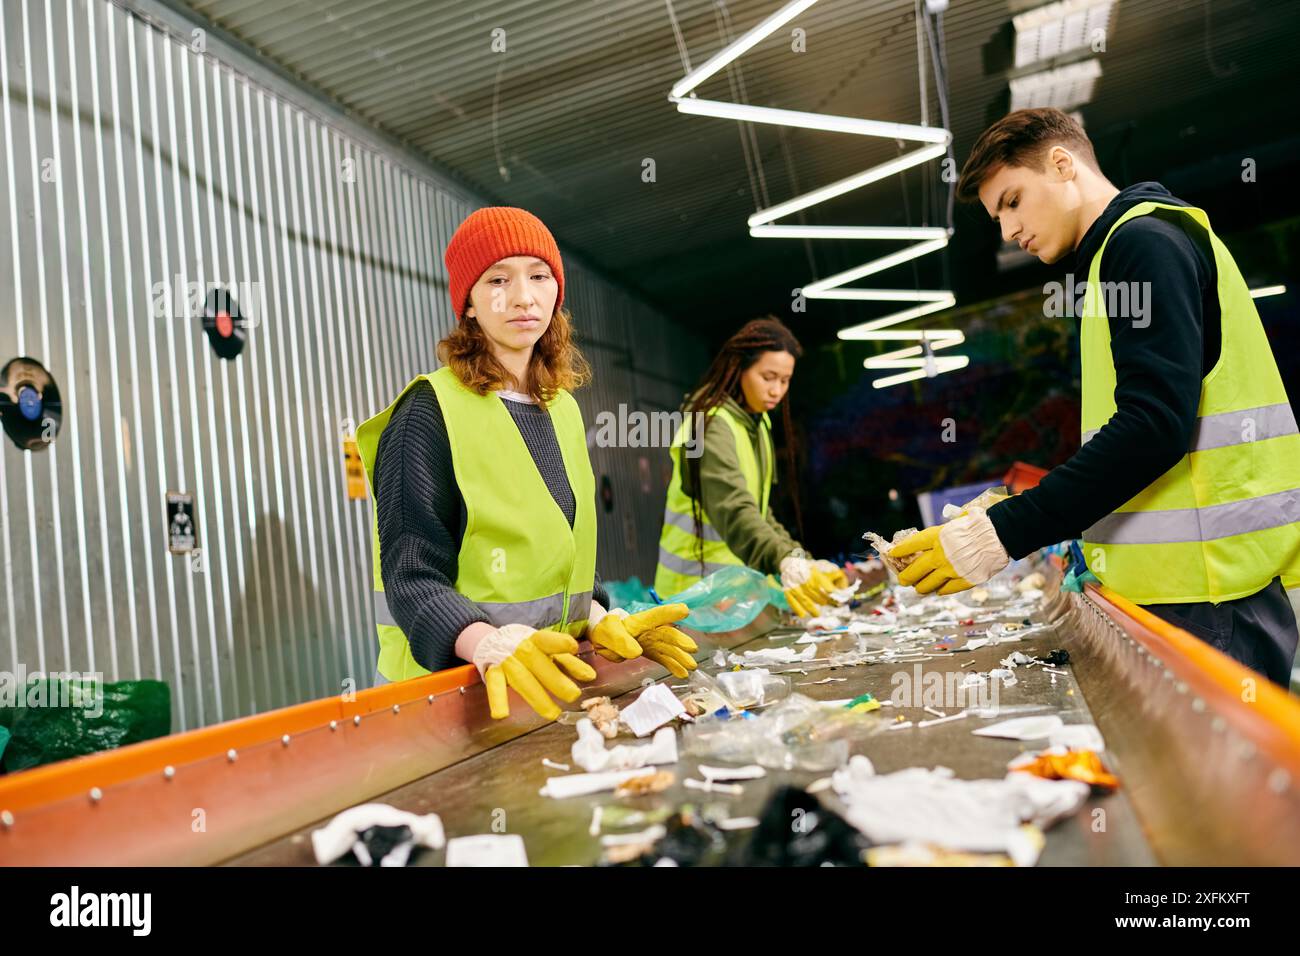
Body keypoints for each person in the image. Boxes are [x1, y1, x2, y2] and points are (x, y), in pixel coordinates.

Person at [892, 108, 1300, 687]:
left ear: (1062, 165)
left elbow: (1153, 427)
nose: (1007, 231)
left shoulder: (1143, 243)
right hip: (1191, 591)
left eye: (1012, 201)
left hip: (1213, 597)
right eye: (996, 217)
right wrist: (1059, 517)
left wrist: (1005, 531)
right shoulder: (1118, 256)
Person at [357, 207, 697, 719]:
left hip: (543, 694)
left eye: (539, 276)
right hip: (445, 702)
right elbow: (411, 573)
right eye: (498, 279)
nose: (523, 296)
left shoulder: (561, 408)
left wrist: (601, 616)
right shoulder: (429, 411)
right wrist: (487, 644)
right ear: (468, 304)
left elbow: (556, 553)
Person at [654, 317, 848, 618]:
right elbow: (734, 509)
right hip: (693, 596)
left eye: (785, 381)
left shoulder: (756, 423)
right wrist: (784, 559)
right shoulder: (709, 425)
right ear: (739, 368)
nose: (777, 390)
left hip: (730, 593)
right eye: (768, 377)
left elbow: (760, 512)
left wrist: (801, 559)